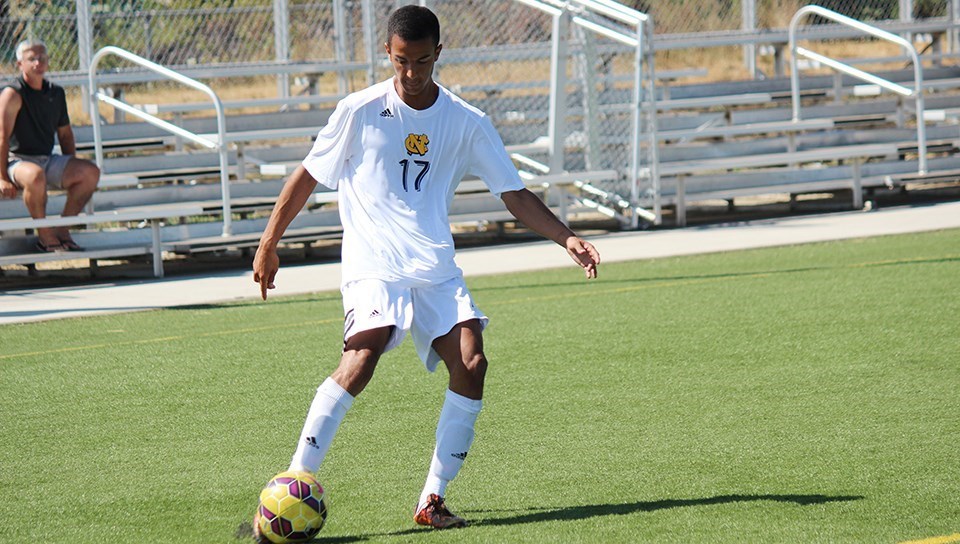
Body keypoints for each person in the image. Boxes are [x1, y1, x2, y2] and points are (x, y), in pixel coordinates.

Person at [251, 5, 600, 533]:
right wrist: (269, 241)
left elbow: (514, 193)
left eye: (420, 61)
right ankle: (296, 480)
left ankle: (432, 499)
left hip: (435, 268)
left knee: (473, 362)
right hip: (375, 264)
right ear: (387, 55)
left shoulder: (466, 121)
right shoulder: (359, 109)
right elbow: (307, 175)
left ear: (438, 53)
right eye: (399, 62)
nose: (410, 74)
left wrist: (565, 236)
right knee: (364, 353)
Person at [0, 39, 100, 252]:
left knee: (90, 172)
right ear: (20, 64)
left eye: (42, 58)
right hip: (17, 160)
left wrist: (70, 162)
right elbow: (2, 137)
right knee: (35, 176)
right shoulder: (13, 94)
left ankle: (63, 229)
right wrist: (1, 177)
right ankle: (44, 235)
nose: (38, 63)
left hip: (47, 160)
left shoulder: (55, 93)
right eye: (32, 59)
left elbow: (65, 135)